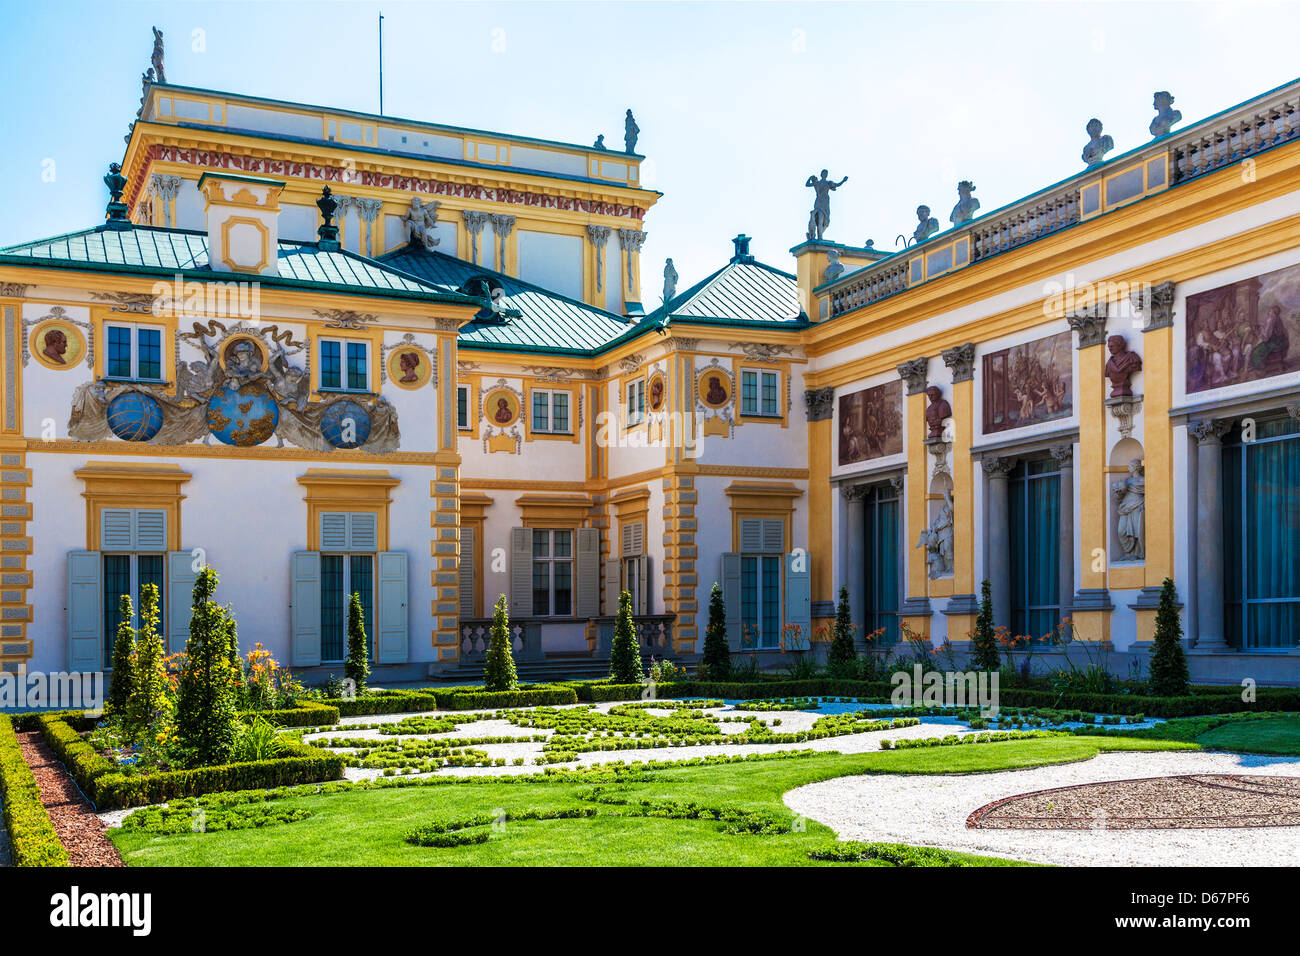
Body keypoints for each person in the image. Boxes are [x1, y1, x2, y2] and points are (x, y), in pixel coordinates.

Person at [805, 169, 848, 241]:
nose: (825, 174)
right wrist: (810, 178)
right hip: (819, 202)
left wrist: (843, 181)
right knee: (820, 218)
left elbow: (837, 185)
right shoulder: (817, 183)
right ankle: (819, 236)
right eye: (824, 173)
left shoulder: (828, 183)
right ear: (821, 174)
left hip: (826, 202)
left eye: (826, 173)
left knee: (826, 220)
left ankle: (819, 234)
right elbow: (807, 184)